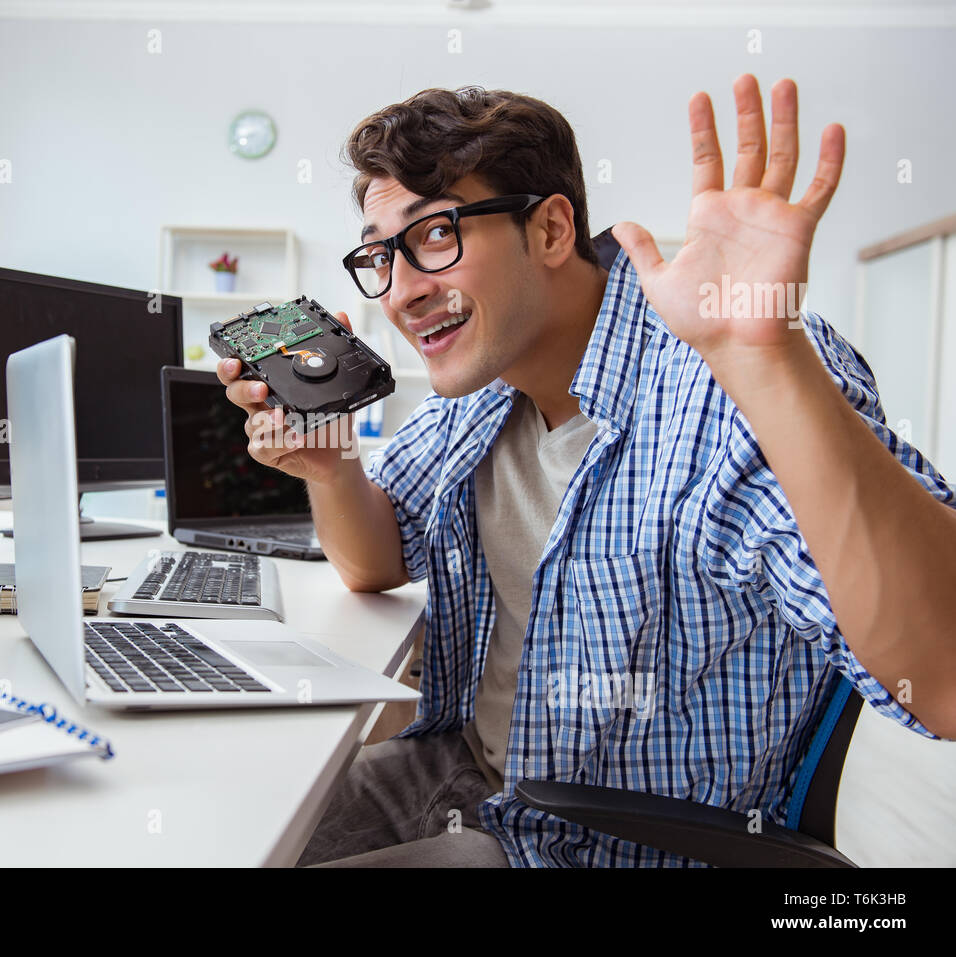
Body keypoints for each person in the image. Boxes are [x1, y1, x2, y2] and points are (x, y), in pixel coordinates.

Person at [217, 77, 956, 867]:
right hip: (462, 769)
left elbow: (942, 676)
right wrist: (331, 470)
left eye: (434, 235)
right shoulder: (481, 393)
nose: (401, 292)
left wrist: (772, 363)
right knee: (230, 832)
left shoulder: (725, 378)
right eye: (380, 255)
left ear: (551, 228)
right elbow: (376, 561)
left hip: (596, 841)